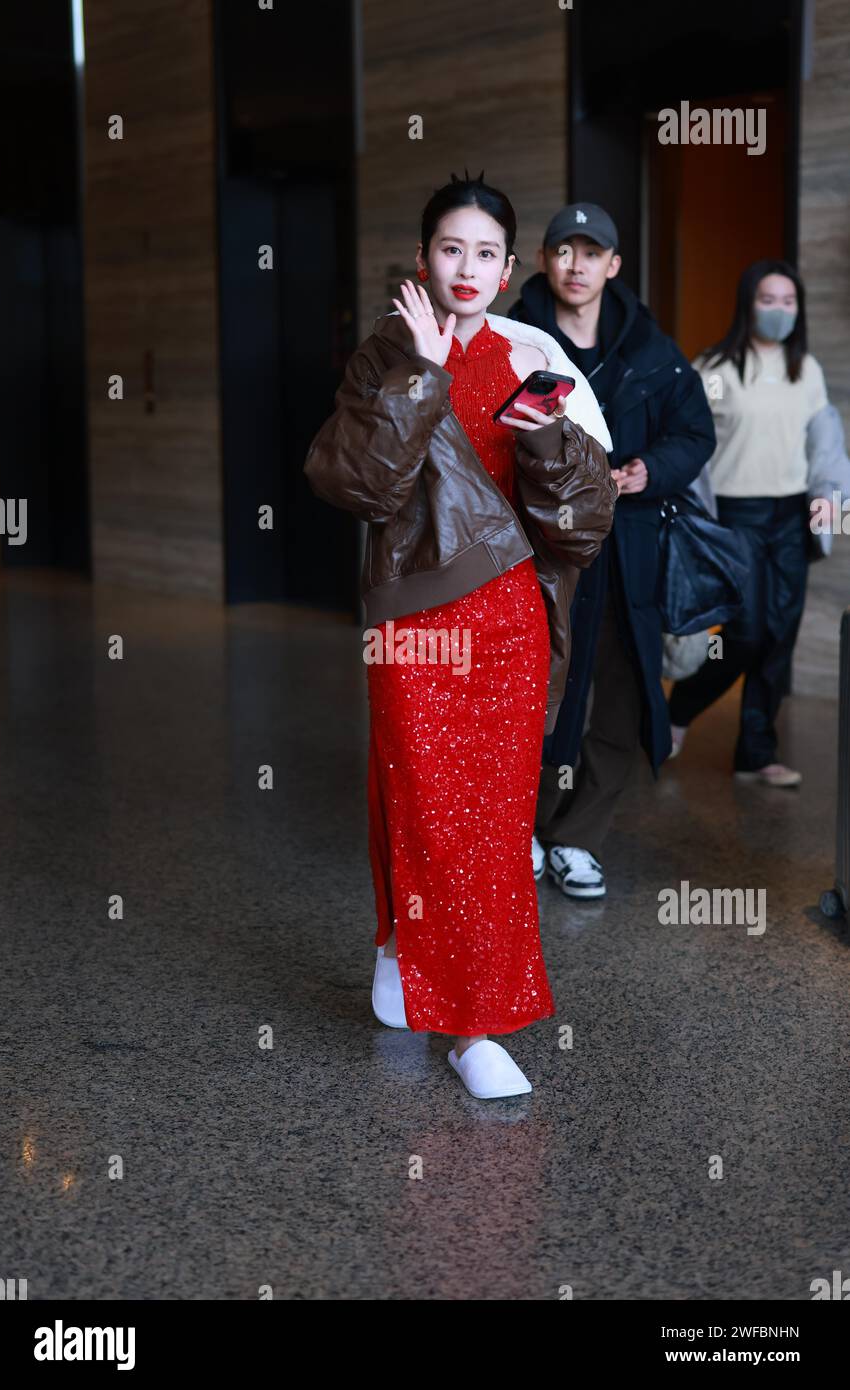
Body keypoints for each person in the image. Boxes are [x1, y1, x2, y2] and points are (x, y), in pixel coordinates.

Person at [304, 174, 615, 1098]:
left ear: (510, 266)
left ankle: (414, 958)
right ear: (422, 261)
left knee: (489, 826)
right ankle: (473, 1029)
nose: (468, 268)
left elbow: (583, 522)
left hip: (514, 621)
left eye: (487, 254)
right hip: (415, 623)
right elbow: (357, 487)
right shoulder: (382, 357)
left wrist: (549, 436)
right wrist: (422, 374)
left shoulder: (533, 354)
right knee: (430, 810)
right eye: (451, 249)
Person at [508, 202, 716, 898]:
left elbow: (695, 433)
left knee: (623, 693)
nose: (576, 265)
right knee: (539, 690)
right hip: (540, 542)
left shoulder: (650, 349)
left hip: (628, 547)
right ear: (543, 260)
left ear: (613, 265)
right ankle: (526, 831)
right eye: (564, 251)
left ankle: (578, 838)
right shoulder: (512, 339)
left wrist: (648, 470)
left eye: (591, 252)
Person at [668, 260, 833, 785]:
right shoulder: (714, 370)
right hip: (734, 515)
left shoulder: (804, 370)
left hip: (790, 514)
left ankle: (757, 755)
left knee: (780, 634)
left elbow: (823, 445)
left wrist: (830, 499)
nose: (780, 310)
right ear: (748, 303)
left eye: (789, 301)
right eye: (769, 299)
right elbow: (691, 438)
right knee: (745, 633)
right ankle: (681, 707)